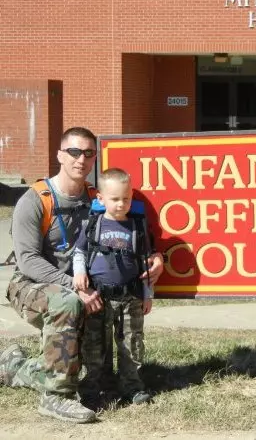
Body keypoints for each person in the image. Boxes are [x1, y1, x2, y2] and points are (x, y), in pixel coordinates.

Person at [0, 127, 164, 423]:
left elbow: (135, 233)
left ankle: (16, 366)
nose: (81, 159)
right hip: (34, 285)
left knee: (83, 362)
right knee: (68, 304)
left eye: (89, 153)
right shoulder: (36, 200)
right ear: (60, 155)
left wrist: (155, 257)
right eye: (74, 152)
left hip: (85, 285)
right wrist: (73, 288)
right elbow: (27, 261)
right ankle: (56, 397)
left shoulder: (98, 198)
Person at [73, 168, 154, 410]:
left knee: (132, 343)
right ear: (101, 199)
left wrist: (148, 295)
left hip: (131, 297)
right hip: (98, 297)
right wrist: (79, 273)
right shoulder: (93, 224)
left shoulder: (137, 227)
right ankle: (93, 388)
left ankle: (132, 386)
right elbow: (79, 252)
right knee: (94, 345)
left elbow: (146, 265)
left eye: (126, 199)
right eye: (115, 199)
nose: (121, 204)